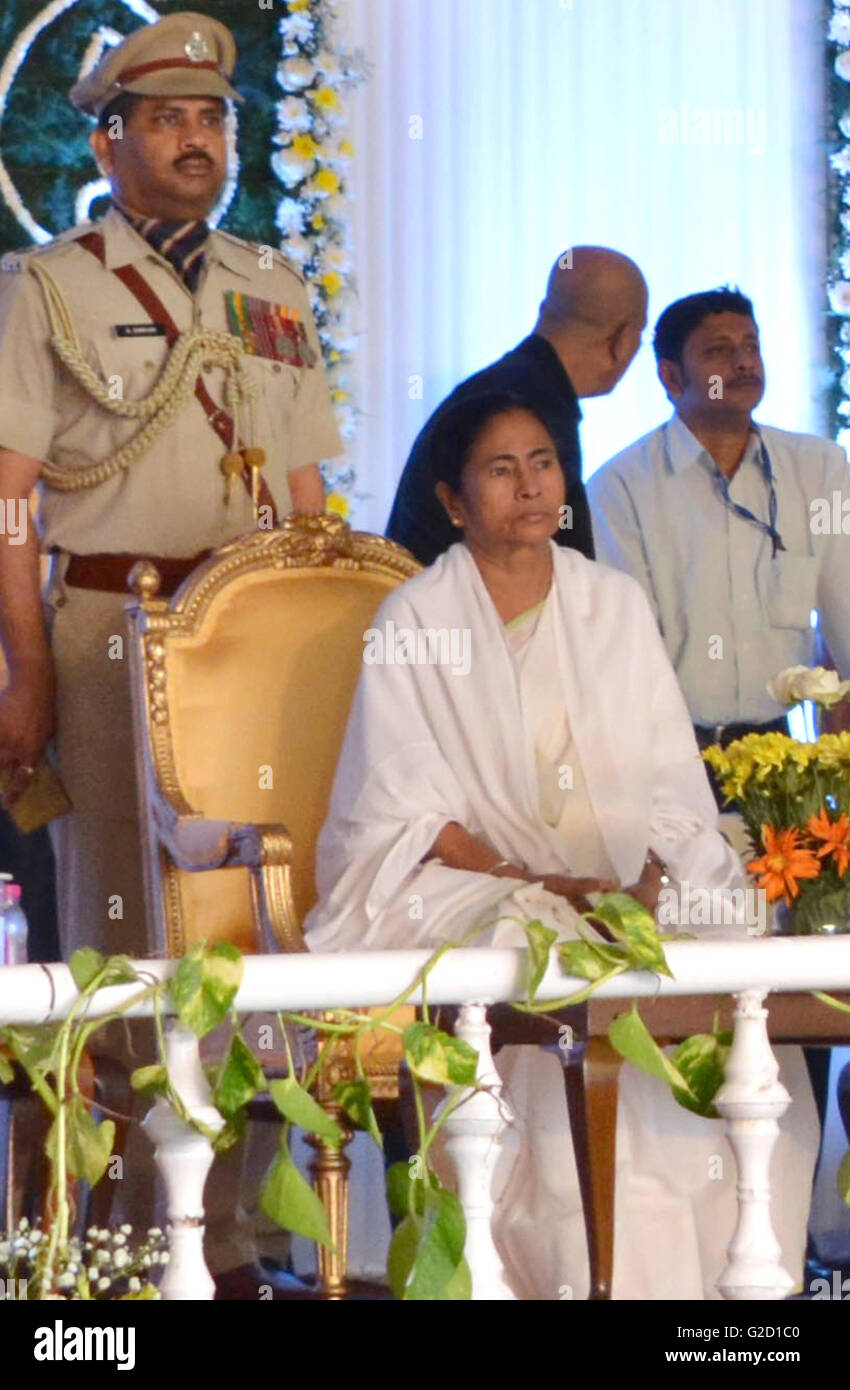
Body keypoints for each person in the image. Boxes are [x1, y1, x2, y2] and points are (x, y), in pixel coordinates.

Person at [305, 391, 817, 1300]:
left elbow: (668, 783)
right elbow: (410, 816)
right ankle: (570, 1268)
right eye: (501, 470)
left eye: (542, 463)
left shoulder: (612, 603)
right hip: (476, 878)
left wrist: (652, 878)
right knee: (534, 941)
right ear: (455, 501)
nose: (530, 486)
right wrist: (545, 880)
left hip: (622, 875)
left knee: (724, 925)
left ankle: (727, 1276)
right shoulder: (416, 619)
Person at [0, 12, 341, 1296]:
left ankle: (234, 1239)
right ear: (111, 140)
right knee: (123, 929)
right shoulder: (52, 286)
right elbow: (5, 495)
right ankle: (134, 1243)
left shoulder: (272, 288)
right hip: (105, 636)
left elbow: (305, 499)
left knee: (245, 923)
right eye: (167, 119)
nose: (195, 140)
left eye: (213, 120)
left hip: (249, 647)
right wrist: (23, 670)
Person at [586, 287, 850, 802]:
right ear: (670, 376)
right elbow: (626, 649)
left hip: (783, 755)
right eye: (718, 351)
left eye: (751, 346)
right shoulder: (622, 487)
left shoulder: (817, 467)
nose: (744, 362)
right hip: (669, 757)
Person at [385, 246, 647, 565]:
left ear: (543, 311)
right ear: (622, 341)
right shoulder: (529, 413)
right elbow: (552, 562)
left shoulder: (504, 388)